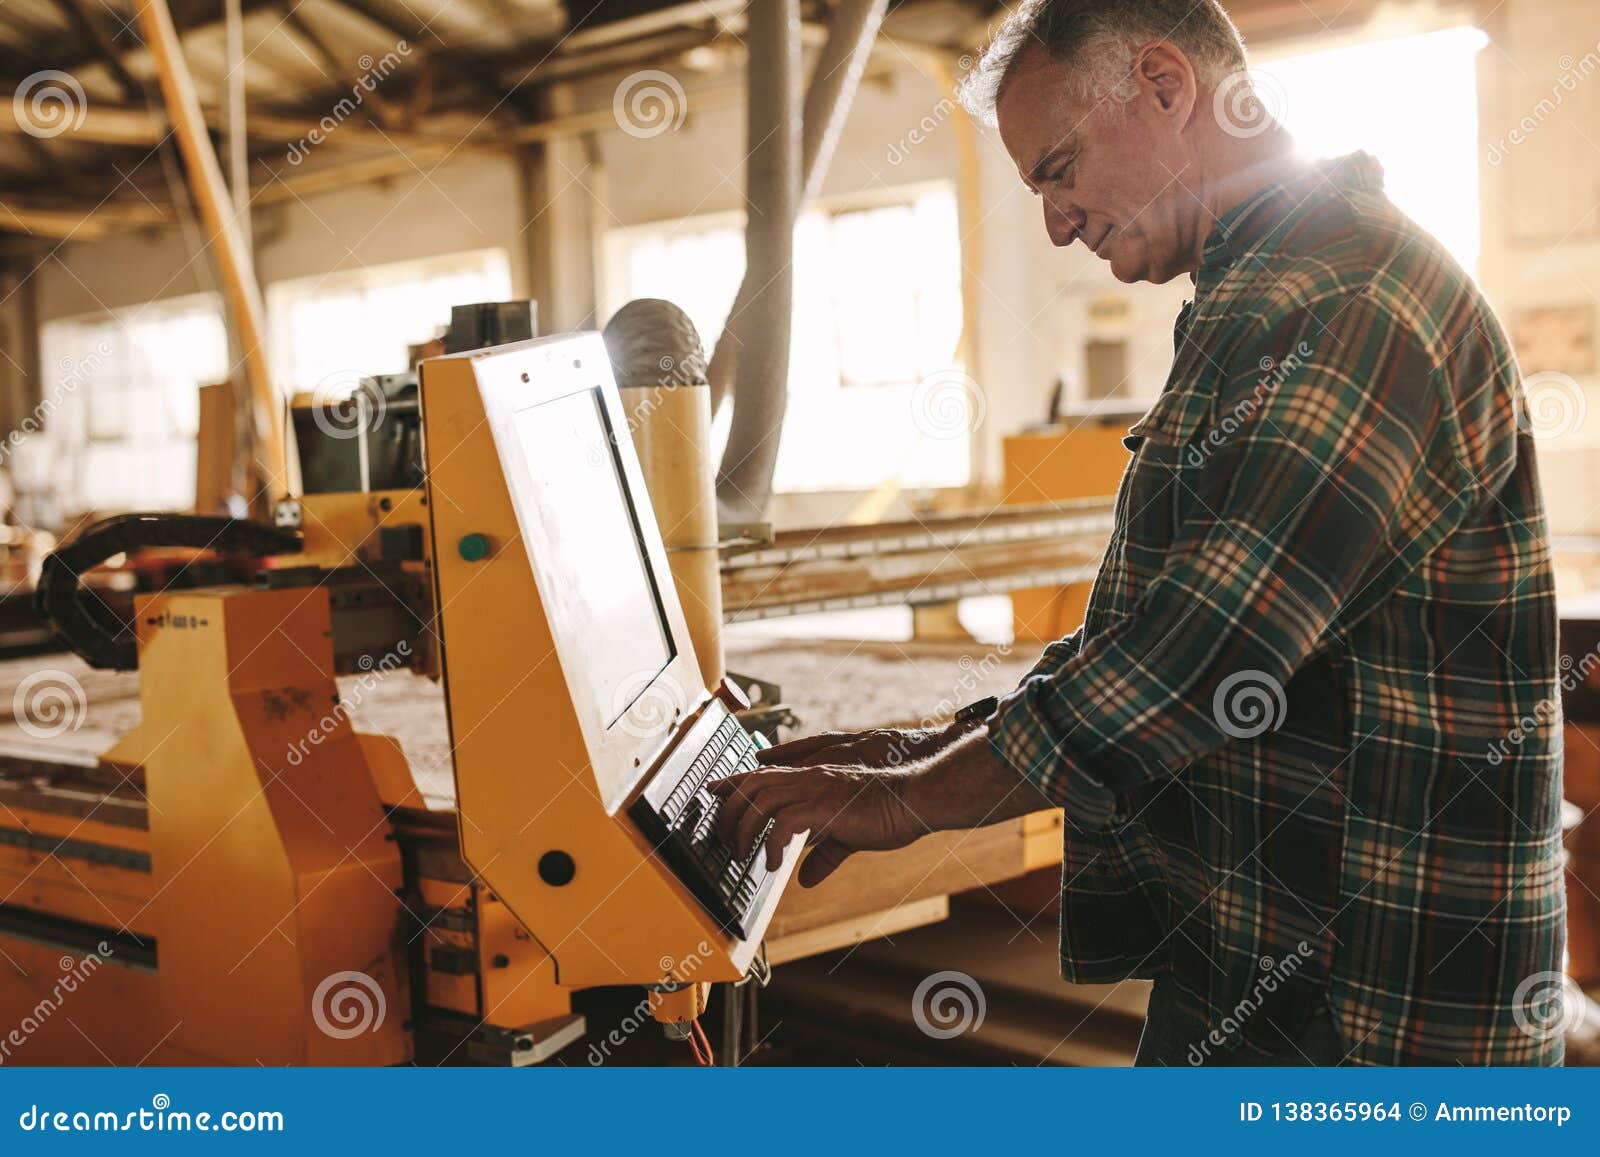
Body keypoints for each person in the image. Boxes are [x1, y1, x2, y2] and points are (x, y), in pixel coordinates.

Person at [712, 0, 1566, 1066]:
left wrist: (914, 802)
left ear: (1167, 85)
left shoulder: (1342, 298)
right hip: (1263, 957)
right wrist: (911, 746)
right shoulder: (1254, 295)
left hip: (1374, 1003)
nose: (1057, 222)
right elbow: (1160, 626)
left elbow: (1202, 658)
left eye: (1058, 169)